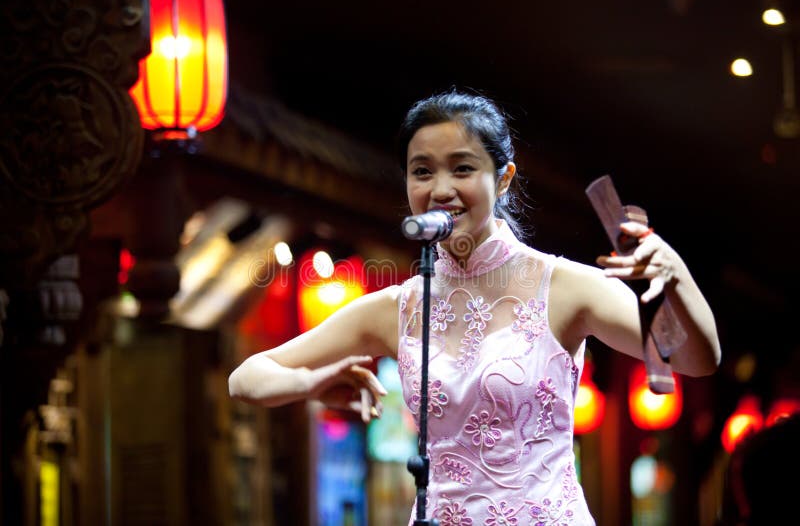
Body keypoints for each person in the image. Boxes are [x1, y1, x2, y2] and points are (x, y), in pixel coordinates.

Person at [228, 90, 721, 525]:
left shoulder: (567, 287)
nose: (441, 189)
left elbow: (697, 360)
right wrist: (311, 383)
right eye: (422, 171)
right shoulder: (399, 307)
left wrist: (675, 275)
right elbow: (245, 378)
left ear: (503, 178)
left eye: (462, 168)